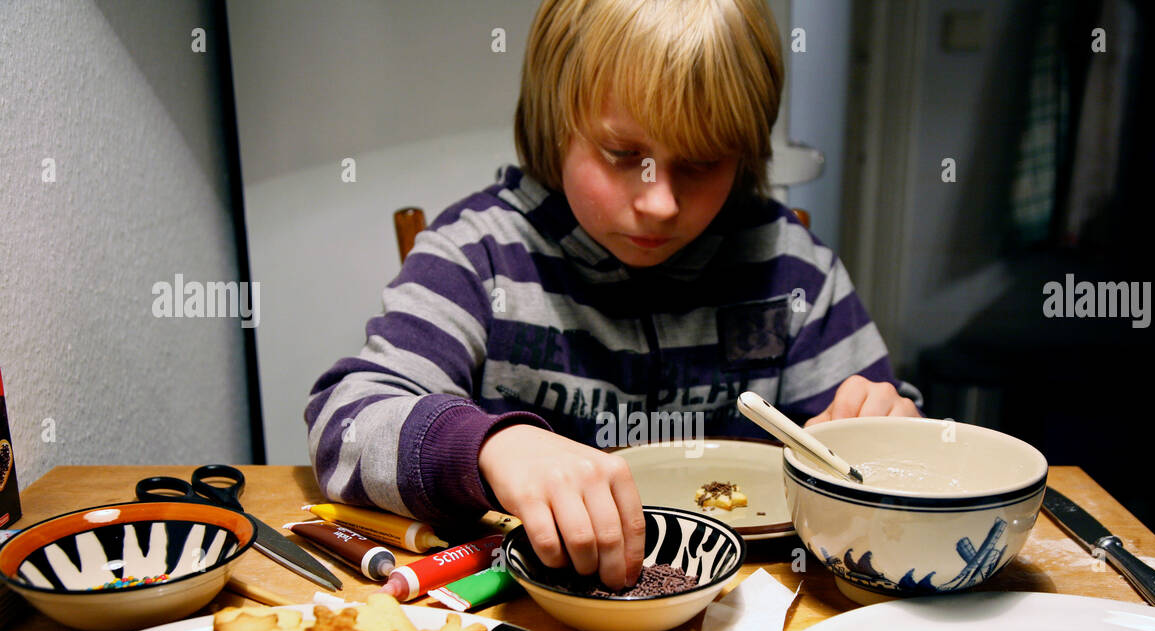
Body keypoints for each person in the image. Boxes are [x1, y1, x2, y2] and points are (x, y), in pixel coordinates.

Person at [306, 0, 920, 591]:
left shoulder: (791, 272)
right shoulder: (478, 255)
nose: (660, 203)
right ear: (554, 124)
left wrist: (883, 436)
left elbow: (884, 449)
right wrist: (491, 445)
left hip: (747, 614)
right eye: (624, 154)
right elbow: (347, 427)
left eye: (703, 162)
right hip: (529, 612)